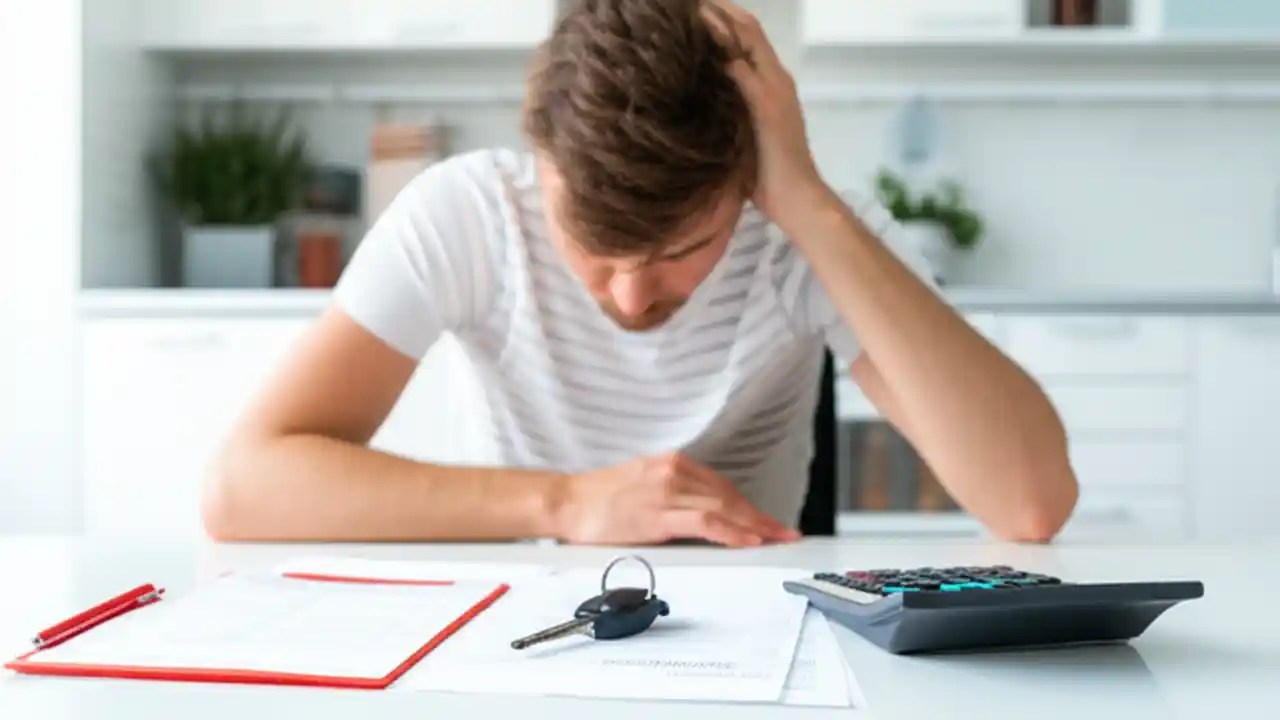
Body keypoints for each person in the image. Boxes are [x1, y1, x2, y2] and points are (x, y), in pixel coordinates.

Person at [202, 0, 1078, 547]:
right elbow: (243, 488)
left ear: (744, 186)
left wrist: (804, 198)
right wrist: (566, 506)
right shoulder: (468, 214)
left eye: (675, 253)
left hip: (752, 621)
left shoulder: (800, 229)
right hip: (519, 619)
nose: (631, 297)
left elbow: (1031, 504)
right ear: (541, 163)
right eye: (597, 250)